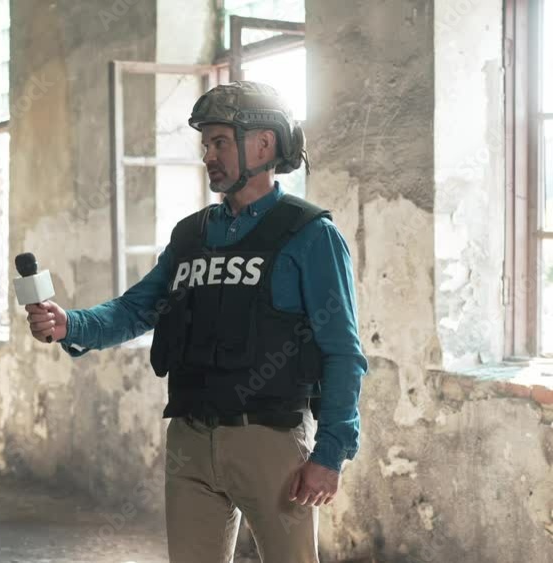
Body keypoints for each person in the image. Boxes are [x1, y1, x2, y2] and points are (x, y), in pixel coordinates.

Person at [25, 81, 367, 562]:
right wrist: (71, 325)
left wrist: (331, 453)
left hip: (268, 439)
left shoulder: (309, 235)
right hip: (188, 437)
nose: (209, 154)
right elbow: (137, 307)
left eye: (220, 142)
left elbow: (342, 351)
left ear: (264, 144)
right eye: (206, 143)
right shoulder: (191, 234)